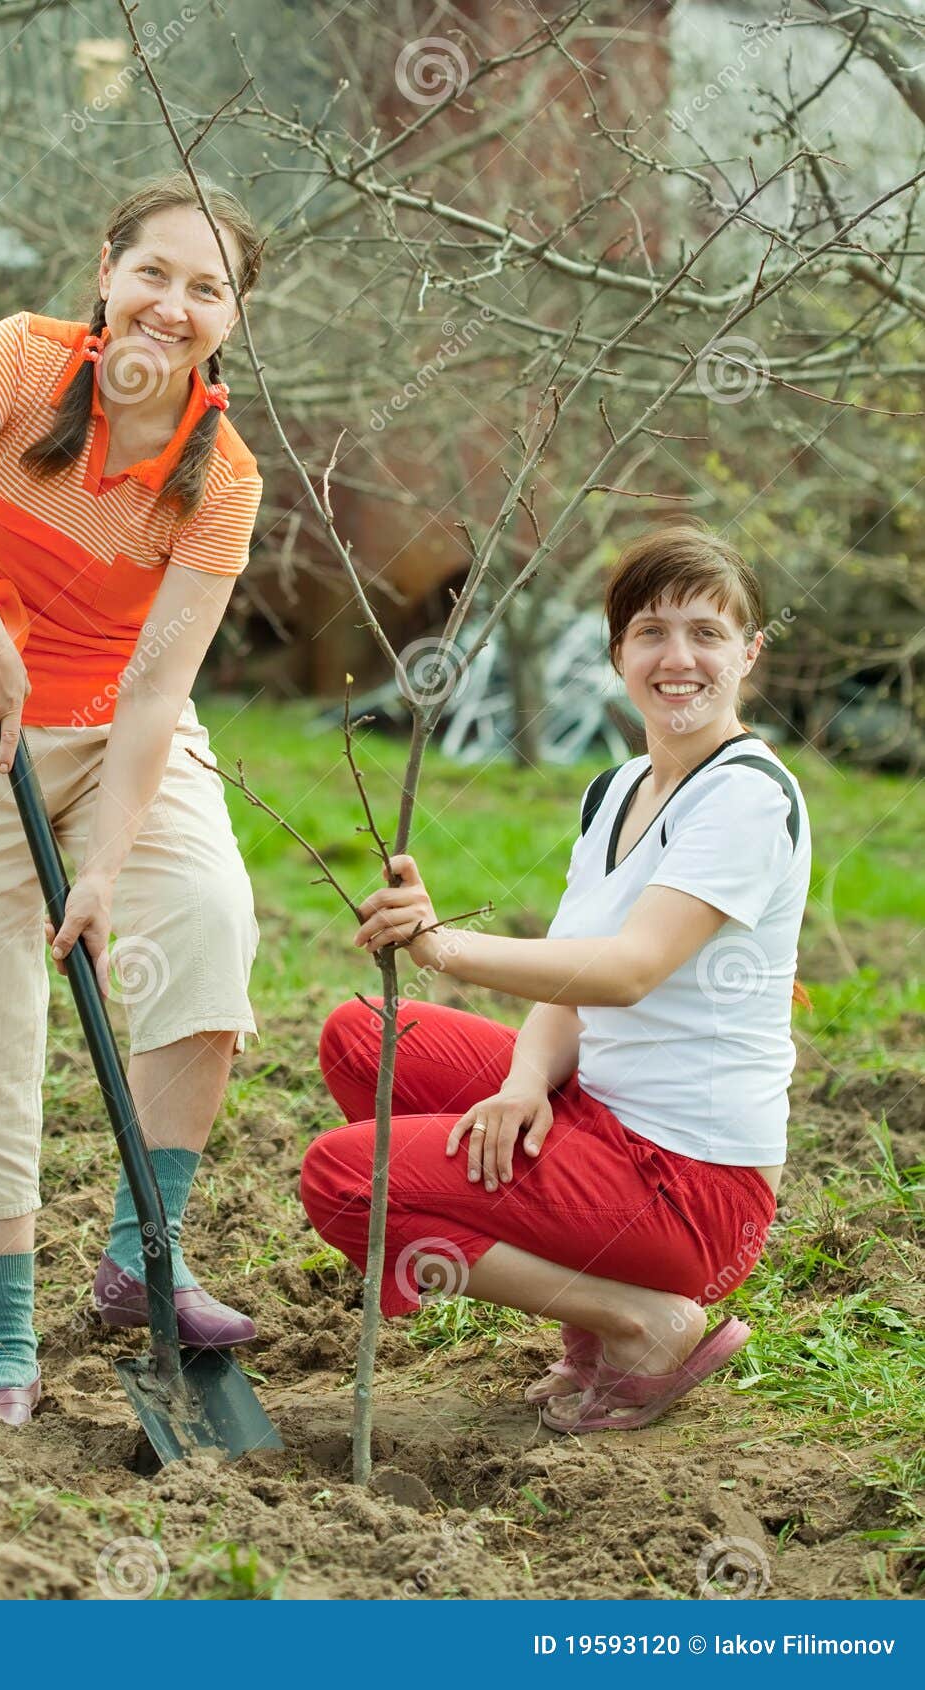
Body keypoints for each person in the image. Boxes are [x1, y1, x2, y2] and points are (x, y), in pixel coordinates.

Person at [0, 175, 266, 1428]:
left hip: (115, 732)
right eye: (155, 272)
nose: (173, 305)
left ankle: (141, 1256)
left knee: (202, 917)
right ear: (107, 270)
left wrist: (105, 863)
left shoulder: (224, 480)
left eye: (209, 289)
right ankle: (6, 1342)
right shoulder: (26, 365)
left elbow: (157, 697)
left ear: (232, 320)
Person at [300, 524, 811, 1431]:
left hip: (689, 1186)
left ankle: (640, 1317)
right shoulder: (615, 790)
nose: (678, 657)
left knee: (348, 1179)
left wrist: (443, 947)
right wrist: (524, 1082)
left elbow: (627, 971)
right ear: (617, 653)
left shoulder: (747, 797)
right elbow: (572, 981)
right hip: (602, 1117)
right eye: (651, 632)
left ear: (750, 652)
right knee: (364, 1037)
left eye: (707, 632)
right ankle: (591, 1319)